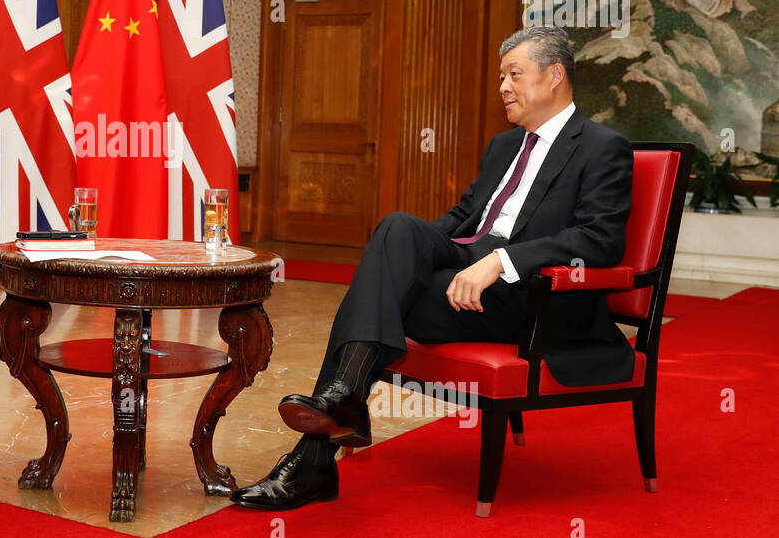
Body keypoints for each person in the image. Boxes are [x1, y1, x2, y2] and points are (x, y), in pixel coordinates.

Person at [232, 26, 634, 511]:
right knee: (398, 230)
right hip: (466, 270)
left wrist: (500, 261)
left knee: (381, 294)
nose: (503, 86)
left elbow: (599, 240)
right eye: (500, 76)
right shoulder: (504, 147)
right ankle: (341, 406)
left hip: (530, 296)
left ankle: (320, 448)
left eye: (514, 74)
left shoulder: (601, 146)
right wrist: (406, 254)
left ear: (554, 76)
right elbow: (463, 219)